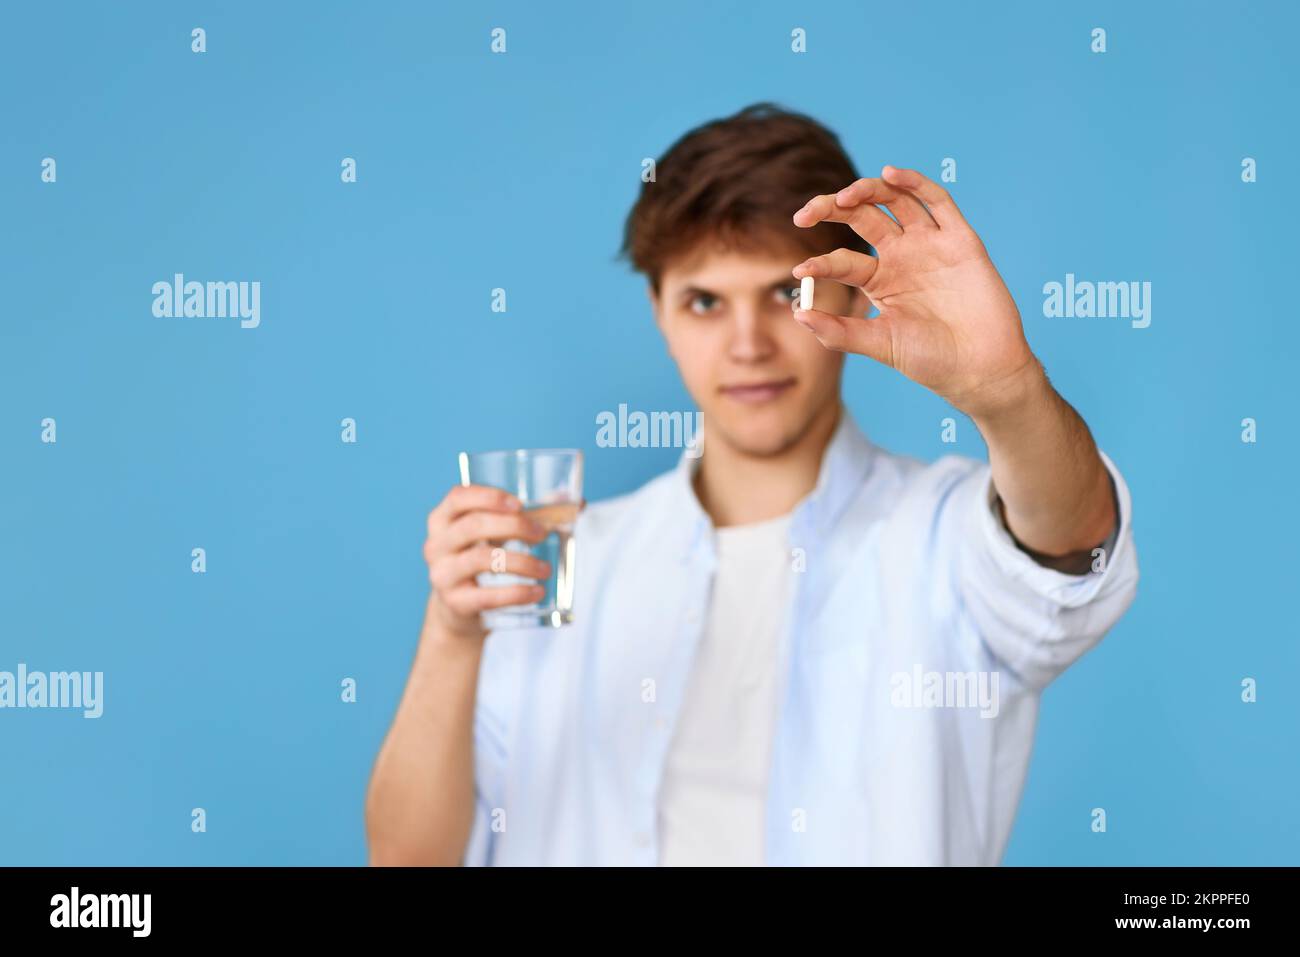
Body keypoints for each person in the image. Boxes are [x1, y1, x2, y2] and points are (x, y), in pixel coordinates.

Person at [365, 103, 1139, 866]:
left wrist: (1006, 391)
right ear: (659, 313)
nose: (747, 345)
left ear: (851, 293)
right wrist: (451, 632)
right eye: (705, 301)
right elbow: (409, 860)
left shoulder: (944, 534)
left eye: (784, 293)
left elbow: (1071, 540)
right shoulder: (560, 566)